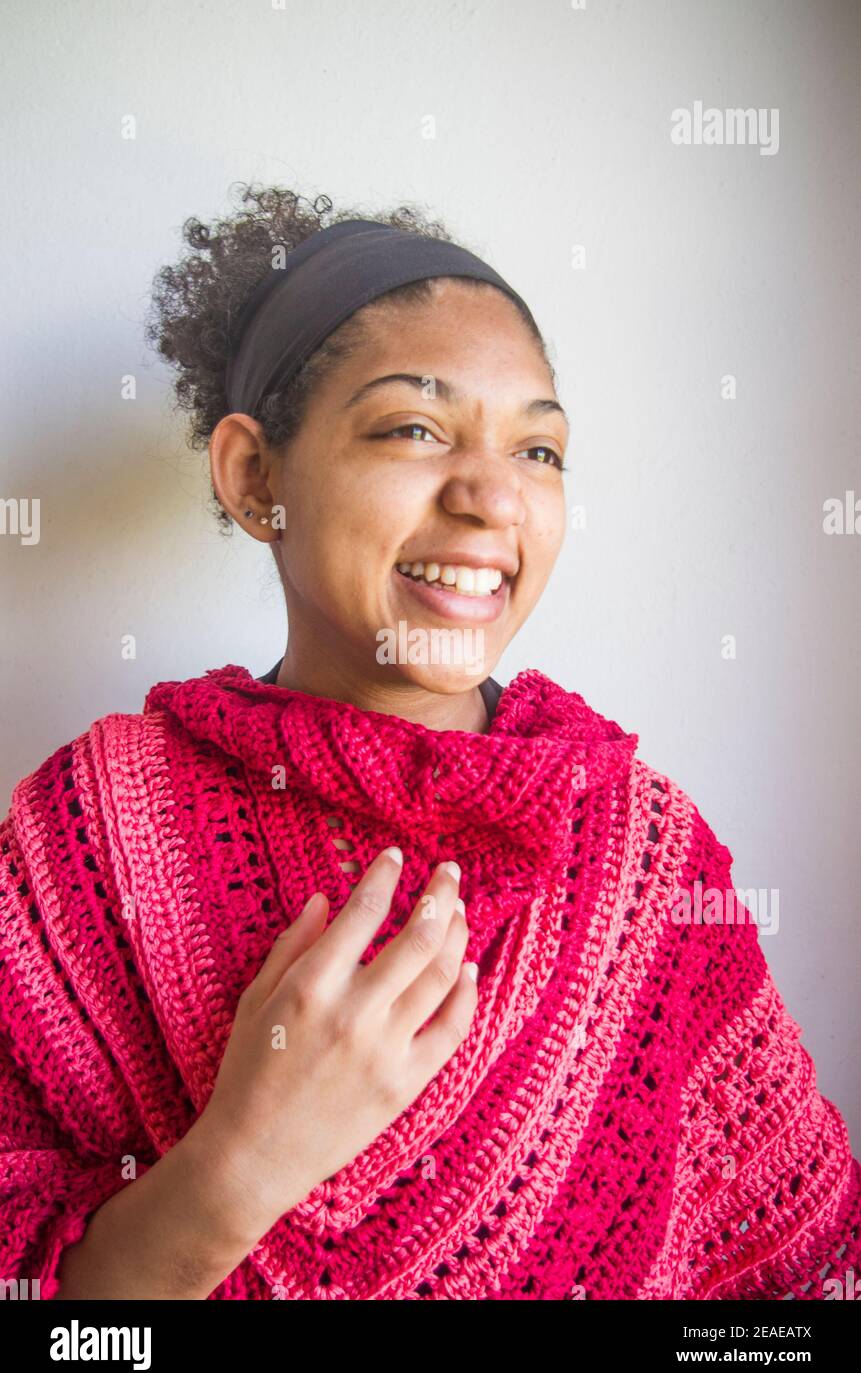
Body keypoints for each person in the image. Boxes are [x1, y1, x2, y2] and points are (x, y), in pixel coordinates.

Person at [1, 185, 858, 1301]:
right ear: (255, 476)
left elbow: (802, 1287)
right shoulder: (87, 834)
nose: (495, 496)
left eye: (541, 452)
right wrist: (240, 1163)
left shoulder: (640, 852)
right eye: (415, 427)